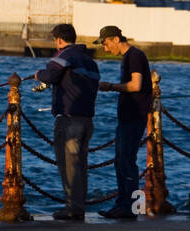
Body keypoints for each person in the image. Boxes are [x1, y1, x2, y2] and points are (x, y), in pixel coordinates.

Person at [33, 23, 100, 221]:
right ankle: (79, 206)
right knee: (81, 166)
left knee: (68, 165)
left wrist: (38, 75)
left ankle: (72, 208)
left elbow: (51, 75)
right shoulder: (90, 62)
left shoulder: (64, 56)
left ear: (59, 40)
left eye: (55, 40)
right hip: (87, 120)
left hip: (69, 119)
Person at [96, 26, 151, 219]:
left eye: (105, 43)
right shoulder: (129, 57)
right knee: (122, 161)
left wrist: (111, 87)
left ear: (116, 39)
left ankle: (129, 207)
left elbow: (136, 85)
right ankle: (126, 205)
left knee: (126, 161)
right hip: (129, 116)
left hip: (134, 116)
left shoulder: (134, 56)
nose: (105, 48)